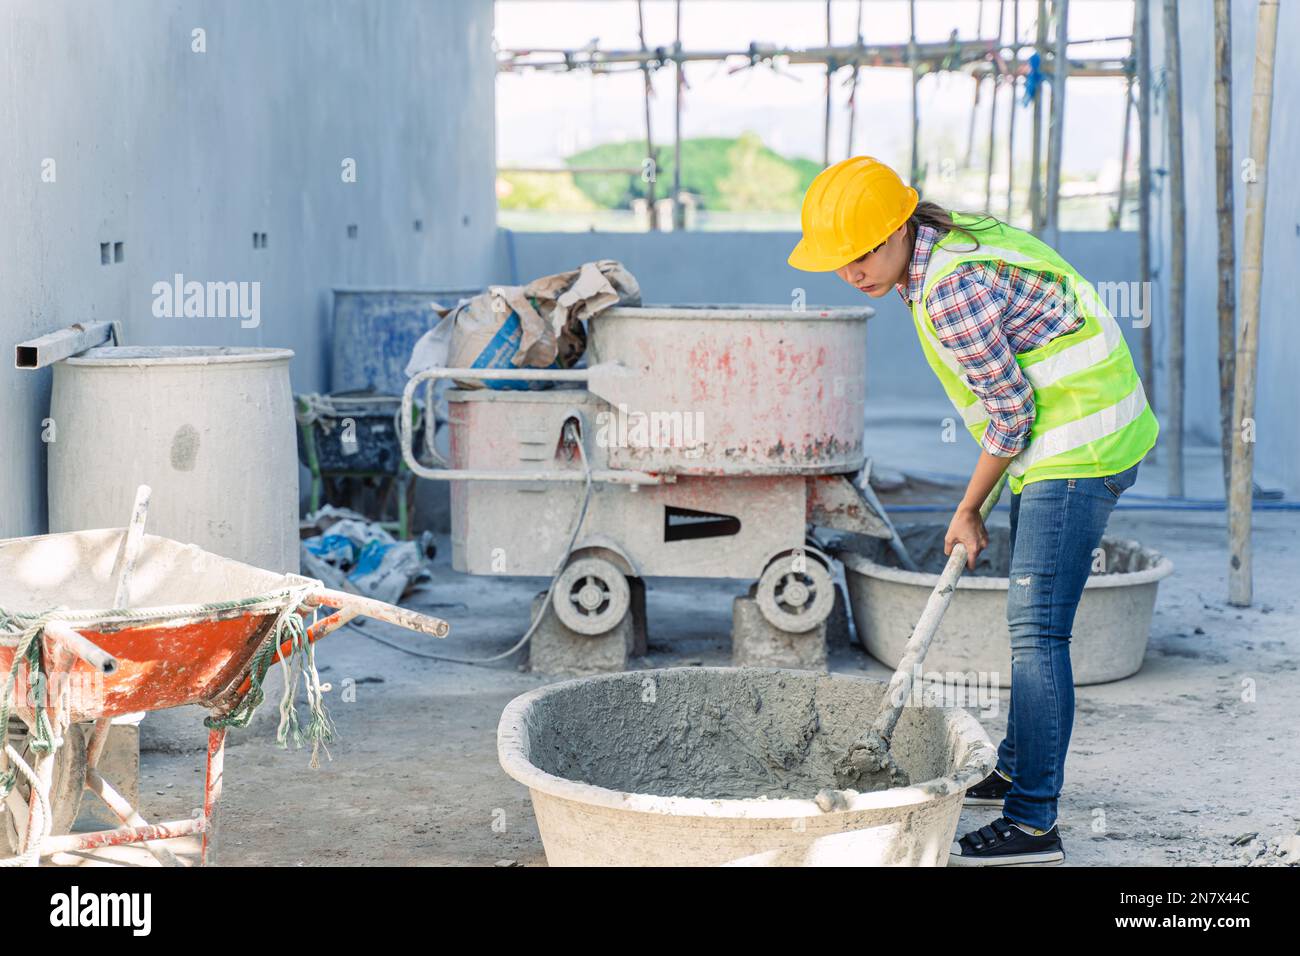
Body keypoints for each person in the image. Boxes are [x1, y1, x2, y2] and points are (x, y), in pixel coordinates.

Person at [788, 156, 1158, 866]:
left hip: (1079, 444)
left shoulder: (949, 289)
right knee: (1034, 620)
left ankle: (1032, 823)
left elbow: (1010, 412)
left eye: (864, 251)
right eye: (840, 259)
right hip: (1072, 432)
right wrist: (987, 496)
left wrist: (967, 506)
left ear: (900, 226)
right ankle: (1018, 768)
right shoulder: (947, 245)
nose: (854, 272)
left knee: (1038, 633)